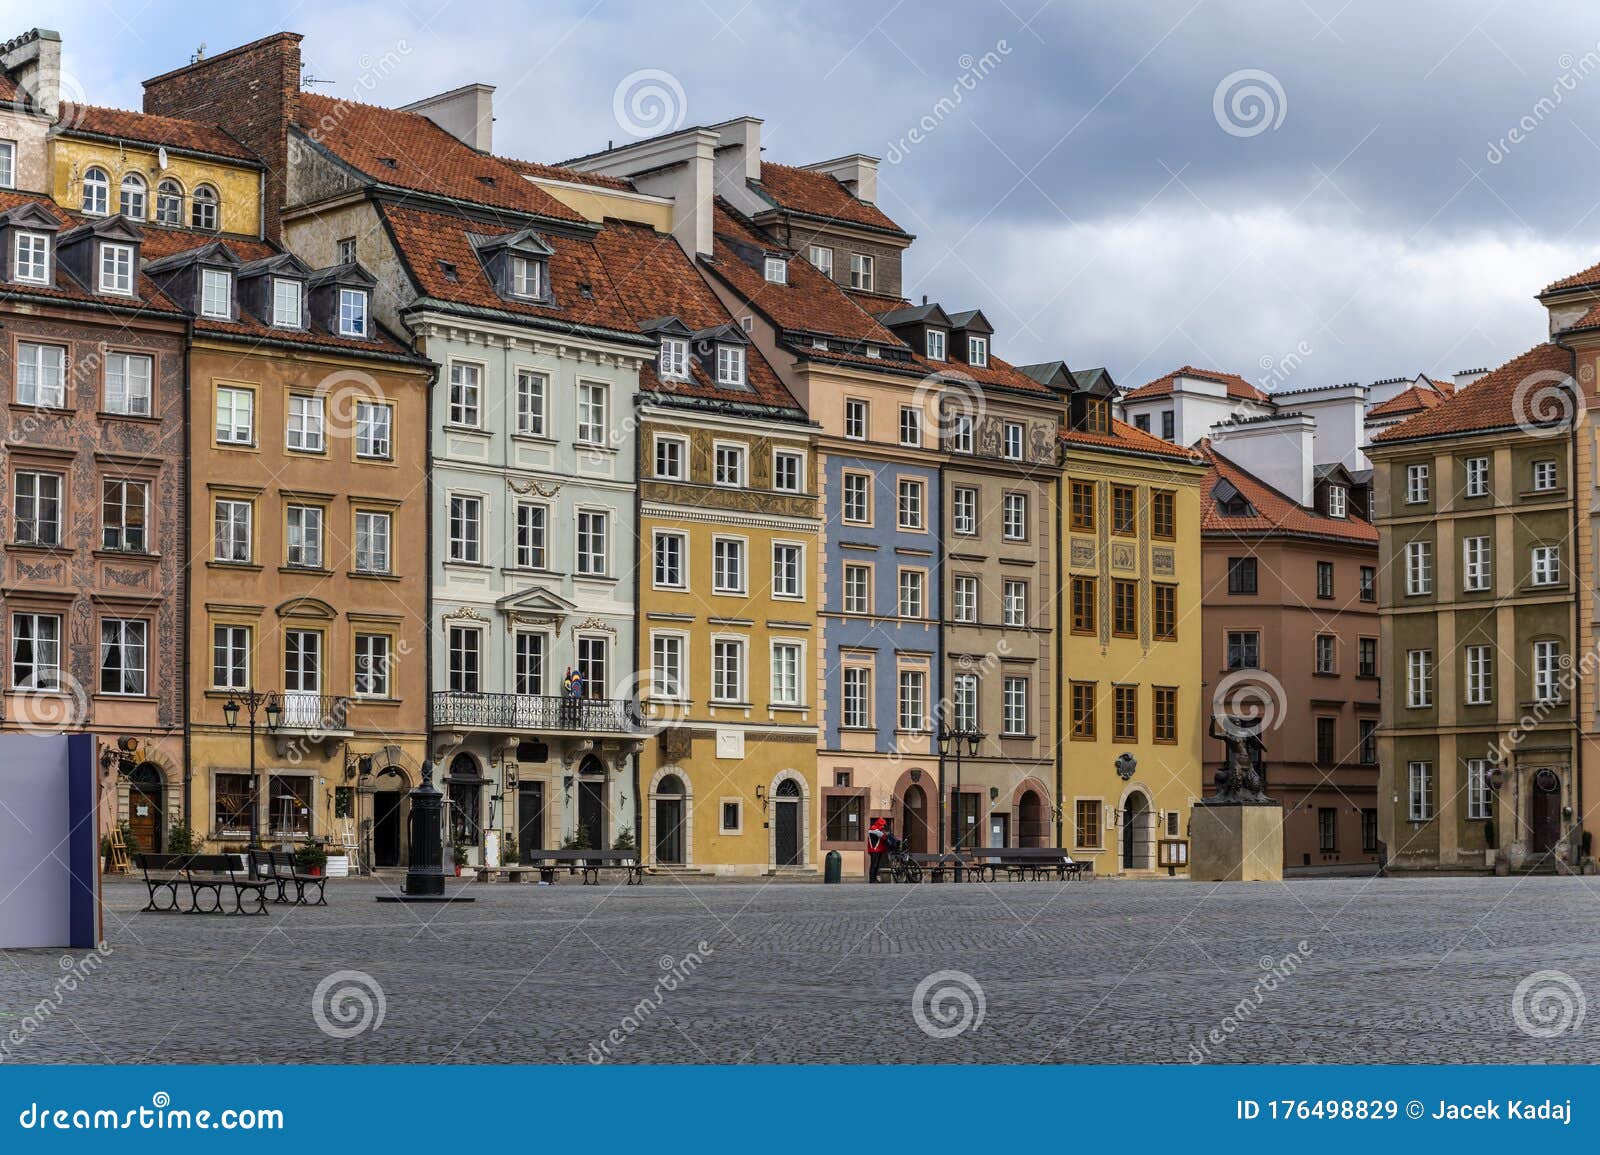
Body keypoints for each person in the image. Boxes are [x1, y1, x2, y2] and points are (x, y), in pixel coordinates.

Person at [867, 817, 892, 883]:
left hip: (879, 850)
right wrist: (886, 834)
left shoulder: (878, 829)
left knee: (877, 865)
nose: (882, 827)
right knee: (873, 865)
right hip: (874, 849)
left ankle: (874, 878)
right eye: (881, 825)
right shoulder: (873, 829)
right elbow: (882, 835)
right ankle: (872, 879)